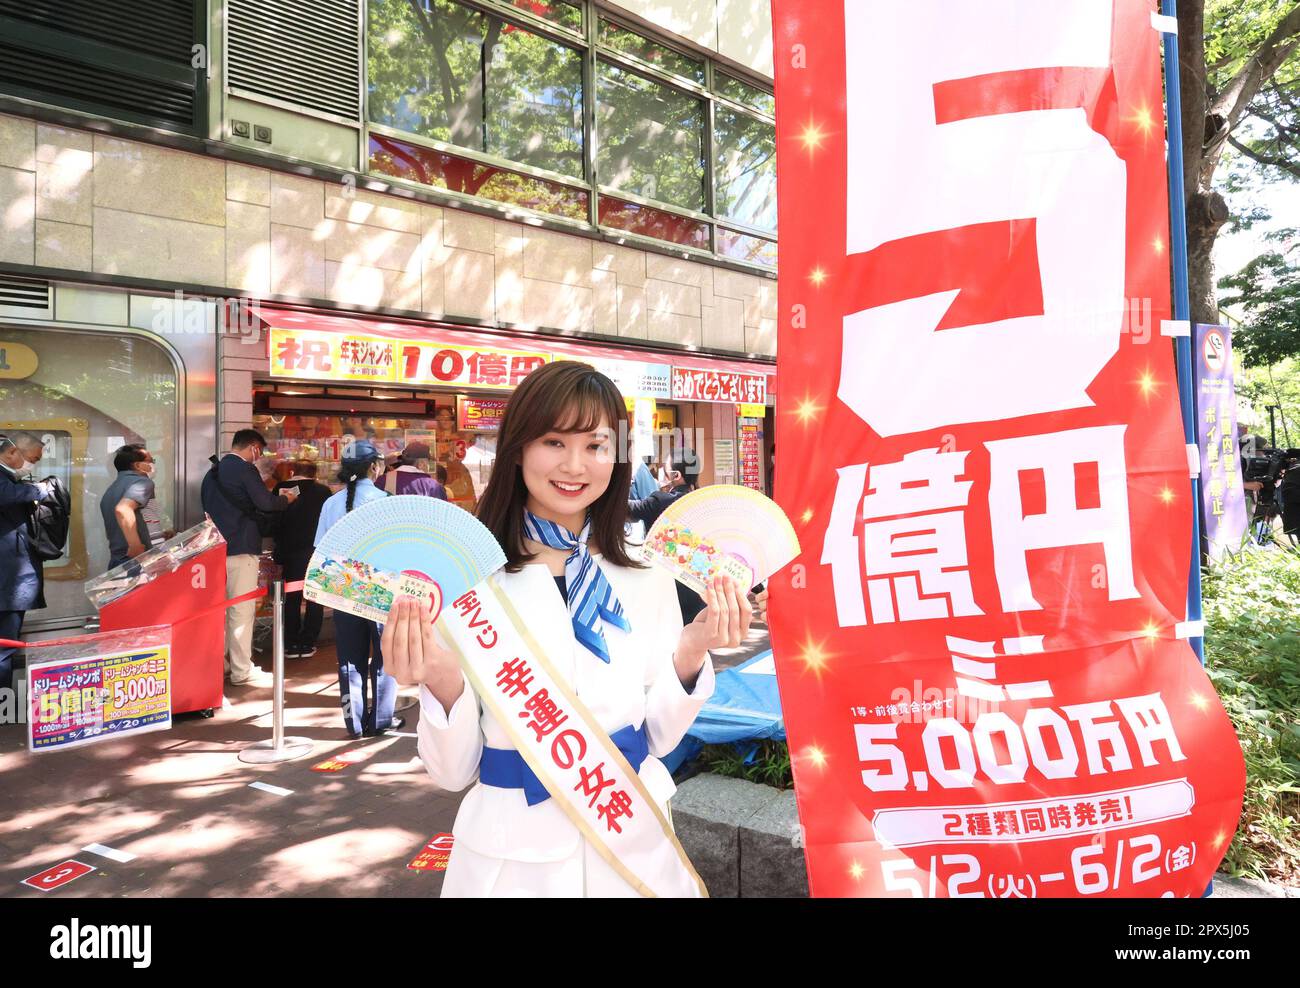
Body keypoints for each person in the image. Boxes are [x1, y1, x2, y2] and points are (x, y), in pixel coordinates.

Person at [381, 361, 750, 897]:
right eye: (554, 441)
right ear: (518, 448)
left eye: (596, 446)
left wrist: (692, 651)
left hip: (631, 845)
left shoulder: (644, 573)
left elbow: (660, 737)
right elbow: (452, 771)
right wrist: (439, 679)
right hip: (512, 862)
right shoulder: (466, 583)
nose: (575, 465)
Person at [313, 440, 403, 738]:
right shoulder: (385, 500)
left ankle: (353, 723)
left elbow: (320, 549)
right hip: (380, 588)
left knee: (349, 658)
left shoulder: (330, 503)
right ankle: (380, 720)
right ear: (374, 467)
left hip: (342, 587)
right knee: (384, 656)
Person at [201, 429, 298, 687]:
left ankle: (219, 664)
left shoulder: (213, 473)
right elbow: (265, 503)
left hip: (216, 550)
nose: (260, 457)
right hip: (242, 547)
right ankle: (242, 670)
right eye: (261, 451)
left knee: (221, 612)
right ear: (254, 447)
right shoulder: (245, 470)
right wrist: (285, 500)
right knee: (241, 611)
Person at [0, 433, 51, 691]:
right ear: (12, 453)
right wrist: (39, 490)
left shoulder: (10, 481)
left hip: (8, 583)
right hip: (6, 583)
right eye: (32, 459)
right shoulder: (6, 484)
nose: (33, 466)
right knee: (4, 648)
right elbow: (6, 495)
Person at [274, 462, 330, 659]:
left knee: (292, 598)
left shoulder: (281, 488)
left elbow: (275, 522)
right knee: (315, 597)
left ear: (292, 472)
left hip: (290, 551)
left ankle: (290, 642)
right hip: (316, 551)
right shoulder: (323, 491)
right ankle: (308, 642)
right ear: (314, 475)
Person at [100, 443, 156, 571]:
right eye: (150, 461)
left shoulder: (112, 489)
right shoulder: (143, 482)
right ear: (137, 465)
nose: (153, 464)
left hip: (117, 561)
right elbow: (123, 509)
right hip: (136, 562)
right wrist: (136, 546)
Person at [382, 442, 448, 499]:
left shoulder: (384, 480)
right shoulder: (433, 487)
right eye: (428, 462)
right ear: (421, 464)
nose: (428, 466)